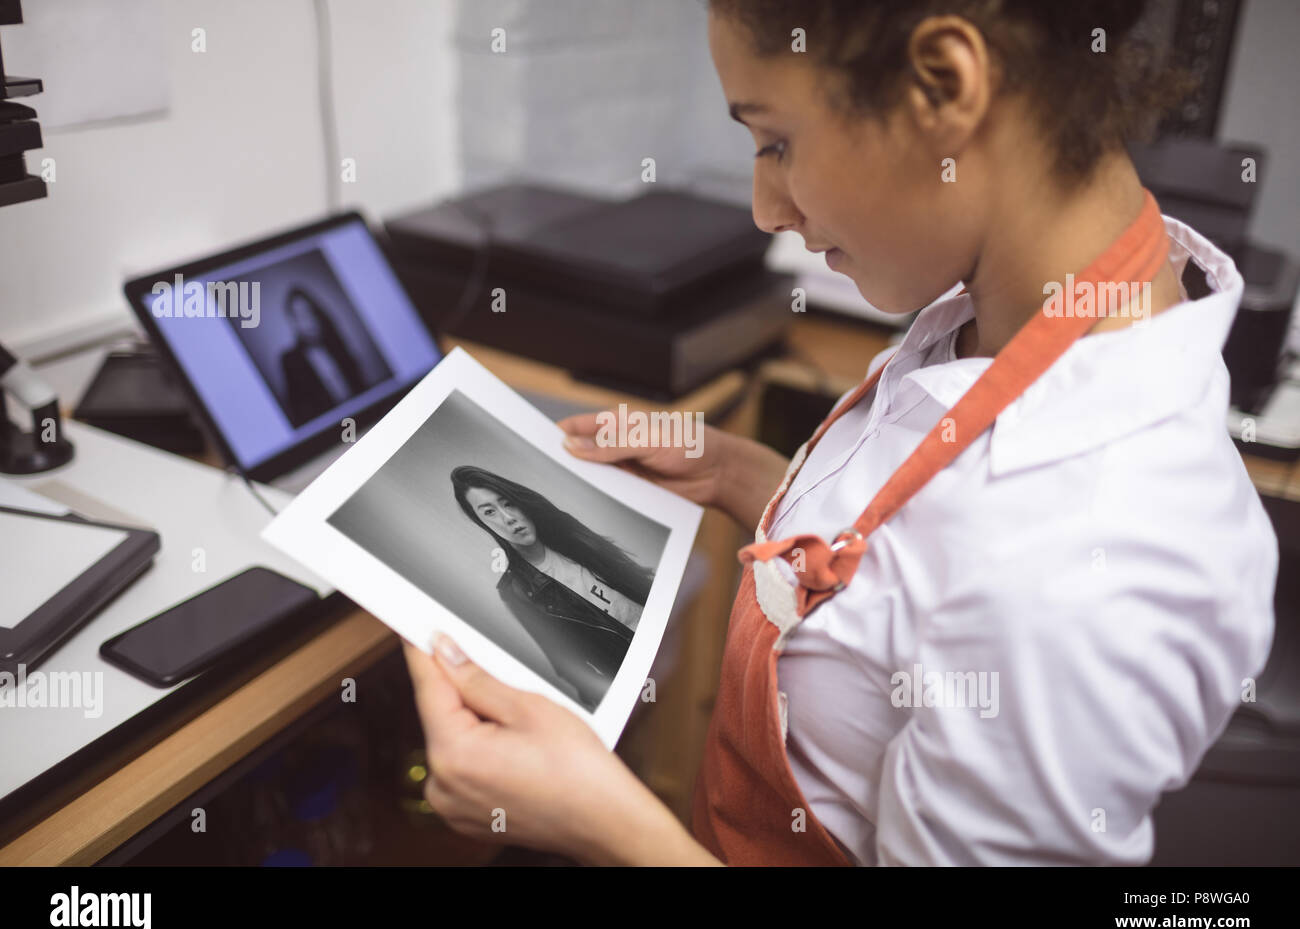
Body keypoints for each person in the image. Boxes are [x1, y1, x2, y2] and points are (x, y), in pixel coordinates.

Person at [401, 0, 1278, 865]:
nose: (764, 208)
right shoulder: (1015, 304)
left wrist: (605, 829)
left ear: (944, 82)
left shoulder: (1080, 574)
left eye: (776, 141)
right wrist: (746, 476)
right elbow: (907, 583)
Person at [451, 465, 649, 712]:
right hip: (644, 672)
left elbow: (637, 579)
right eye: (489, 512)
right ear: (482, 523)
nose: (507, 517)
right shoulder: (516, 591)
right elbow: (569, 666)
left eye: (508, 503)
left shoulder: (571, 536)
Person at [278, 285, 369, 425]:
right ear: (293, 322)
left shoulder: (336, 345)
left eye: (310, 312)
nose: (308, 319)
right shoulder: (290, 361)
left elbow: (361, 384)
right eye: (301, 315)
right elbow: (300, 412)